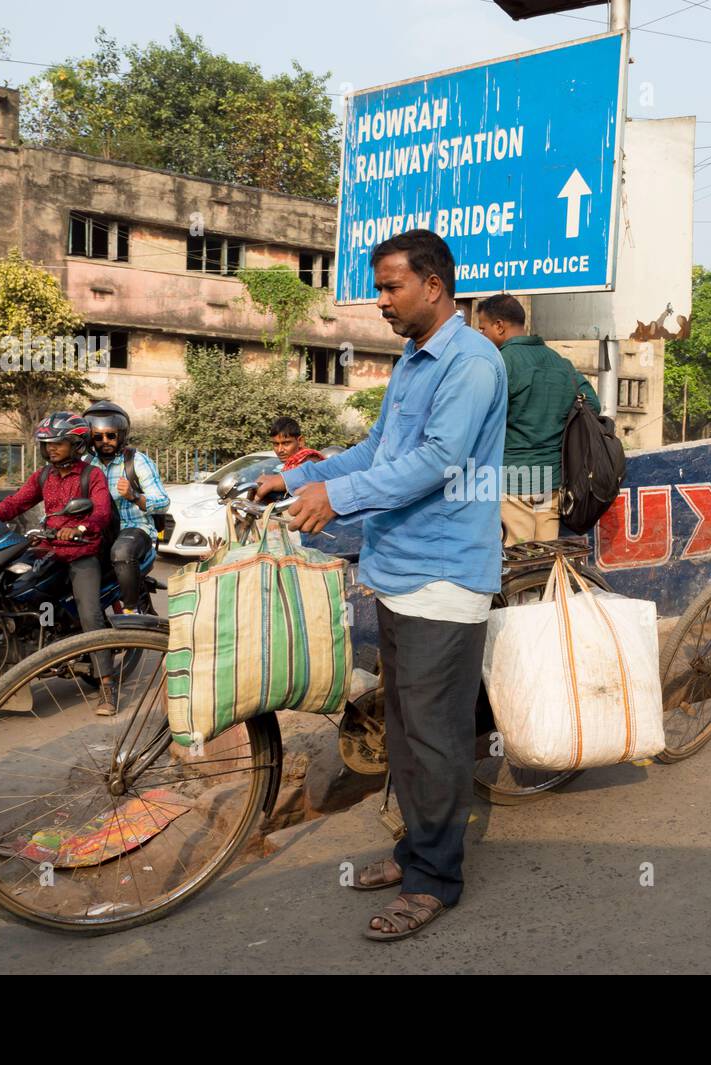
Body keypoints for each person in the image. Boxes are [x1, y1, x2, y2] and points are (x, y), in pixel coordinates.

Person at [254, 229, 506, 940]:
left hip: (444, 573)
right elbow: (379, 449)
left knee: (433, 737)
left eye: (392, 286)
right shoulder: (413, 360)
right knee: (405, 727)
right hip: (396, 570)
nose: (381, 300)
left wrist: (337, 499)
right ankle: (415, 849)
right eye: (380, 286)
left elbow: (438, 460)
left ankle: (434, 879)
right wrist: (299, 476)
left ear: (434, 284)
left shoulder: (471, 361)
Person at [0, 413, 118, 713]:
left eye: (58, 443)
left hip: (82, 552)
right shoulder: (44, 476)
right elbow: (16, 502)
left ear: (76, 444)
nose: (51, 449)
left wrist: (80, 527)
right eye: (47, 444)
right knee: (8, 587)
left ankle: (106, 684)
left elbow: (102, 512)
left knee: (90, 613)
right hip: (47, 547)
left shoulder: (91, 475)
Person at [474, 292, 600, 545]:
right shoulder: (559, 362)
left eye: (483, 329)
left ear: (499, 326)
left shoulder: (499, 364)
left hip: (512, 482)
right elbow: (592, 405)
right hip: (551, 481)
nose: (482, 336)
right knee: (543, 564)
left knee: (515, 567)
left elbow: (477, 417)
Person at [83, 400, 168, 613]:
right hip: (100, 531)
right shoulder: (86, 464)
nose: (105, 442)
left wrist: (134, 496)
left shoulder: (136, 461)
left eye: (110, 435)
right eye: (98, 437)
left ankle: (132, 610)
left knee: (121, 552)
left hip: (135, 528)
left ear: (121, 435)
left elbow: (163, 502)